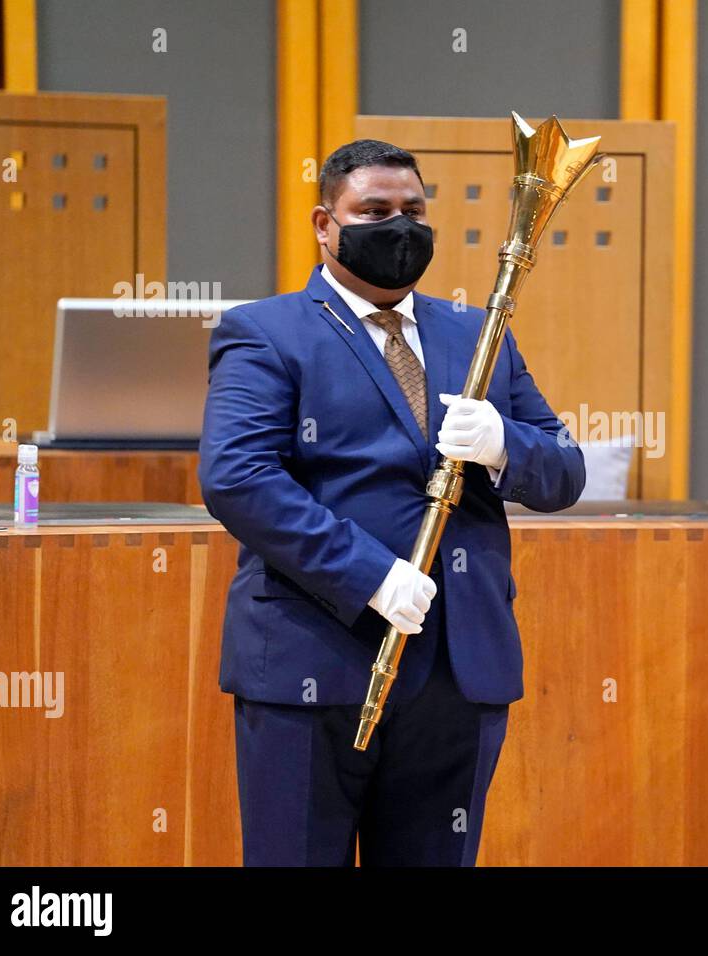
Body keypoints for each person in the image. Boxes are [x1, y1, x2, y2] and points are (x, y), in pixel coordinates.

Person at [198, 139, 585, 866]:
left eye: (413, 211)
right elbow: (238, 477)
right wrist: (369, 574)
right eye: (373, 211)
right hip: (314, 661)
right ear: (324, 222)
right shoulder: (267, 331)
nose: (398, 227)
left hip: (456, 671)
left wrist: (506, 444)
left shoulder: (479, 333)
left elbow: (564, 470)